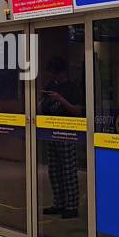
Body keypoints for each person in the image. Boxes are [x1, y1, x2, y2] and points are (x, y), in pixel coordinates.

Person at [38, 56, 84, 219]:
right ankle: (59, 203)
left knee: (68, 170)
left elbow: (78, 111)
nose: (53, 77)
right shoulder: (51, 85)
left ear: (62, 72)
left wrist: (60, 99)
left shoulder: (72, 88)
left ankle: (71, 206)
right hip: (50, 131)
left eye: (55, 73)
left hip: (67, 132)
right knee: (54, 170)